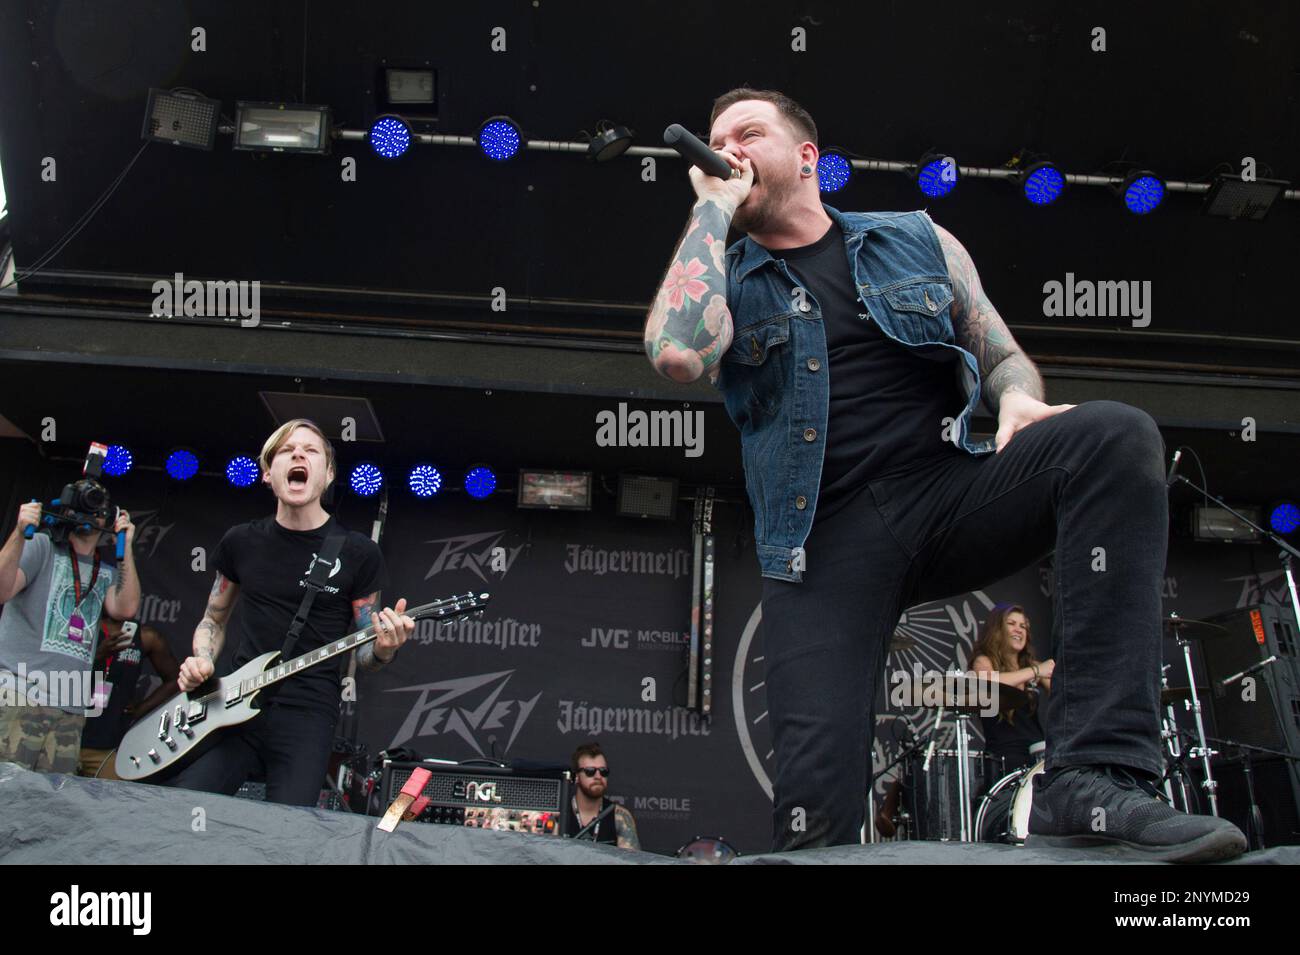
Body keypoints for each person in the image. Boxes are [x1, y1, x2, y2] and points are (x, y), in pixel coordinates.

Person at [643, 87, 1246, 862]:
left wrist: (1019, 399)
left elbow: (995, 349)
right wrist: (714, 209)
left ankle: (1091, 777)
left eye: (748, 134)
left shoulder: (918, 240)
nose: (725, 149)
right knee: (812, 826)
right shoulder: (727, 273)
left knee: (1114, 436)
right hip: (821, 542)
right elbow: (677, 351)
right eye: (715, 139)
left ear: (806, 157)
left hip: (945, 493)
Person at [169, 419, 415, 806]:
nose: (298, 454)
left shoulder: (357, 552)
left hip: (308, 714)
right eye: (286, 450)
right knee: (183, 808)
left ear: (328, 475)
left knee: (288, 829)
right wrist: (200, 660)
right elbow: (212, 619)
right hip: (235, 706)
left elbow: (367, 654)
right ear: (268, 473)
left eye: (311, 450)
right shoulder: (241, 541)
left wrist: (385, 648)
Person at [0, 498, 139, 773]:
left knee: (52, 806)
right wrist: (19, 532)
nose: (90, 514)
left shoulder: (106, 571)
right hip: (19, 695)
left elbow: (127, 607)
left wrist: (127, 545)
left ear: (109, 519)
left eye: (98, 509)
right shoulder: (41, 546)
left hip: (70, 707)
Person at [78, 616, 180, 780]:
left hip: (108, 746)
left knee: (108, 801)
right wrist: (97, 655)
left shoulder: (146, 637)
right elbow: (55, 672)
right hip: (69, 736)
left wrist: (140, 709)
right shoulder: (82, 625)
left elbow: (175, 680)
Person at [969, 604, 1049, 771]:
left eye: (1023, 626)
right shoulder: (983, 661)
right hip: (1003, 757)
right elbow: (988, 682)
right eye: (1011, 623)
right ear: (997, 630)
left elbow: (1066, 695)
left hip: (1038, 753)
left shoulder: (1031, 666)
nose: (1019, 630)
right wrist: (1035, 671)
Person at [566, 742, 640, 850]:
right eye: (590, 771)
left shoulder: (620, 816)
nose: (598, 776)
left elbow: (631, 861)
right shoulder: (558, 814)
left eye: (603, 771)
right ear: (576, 777)